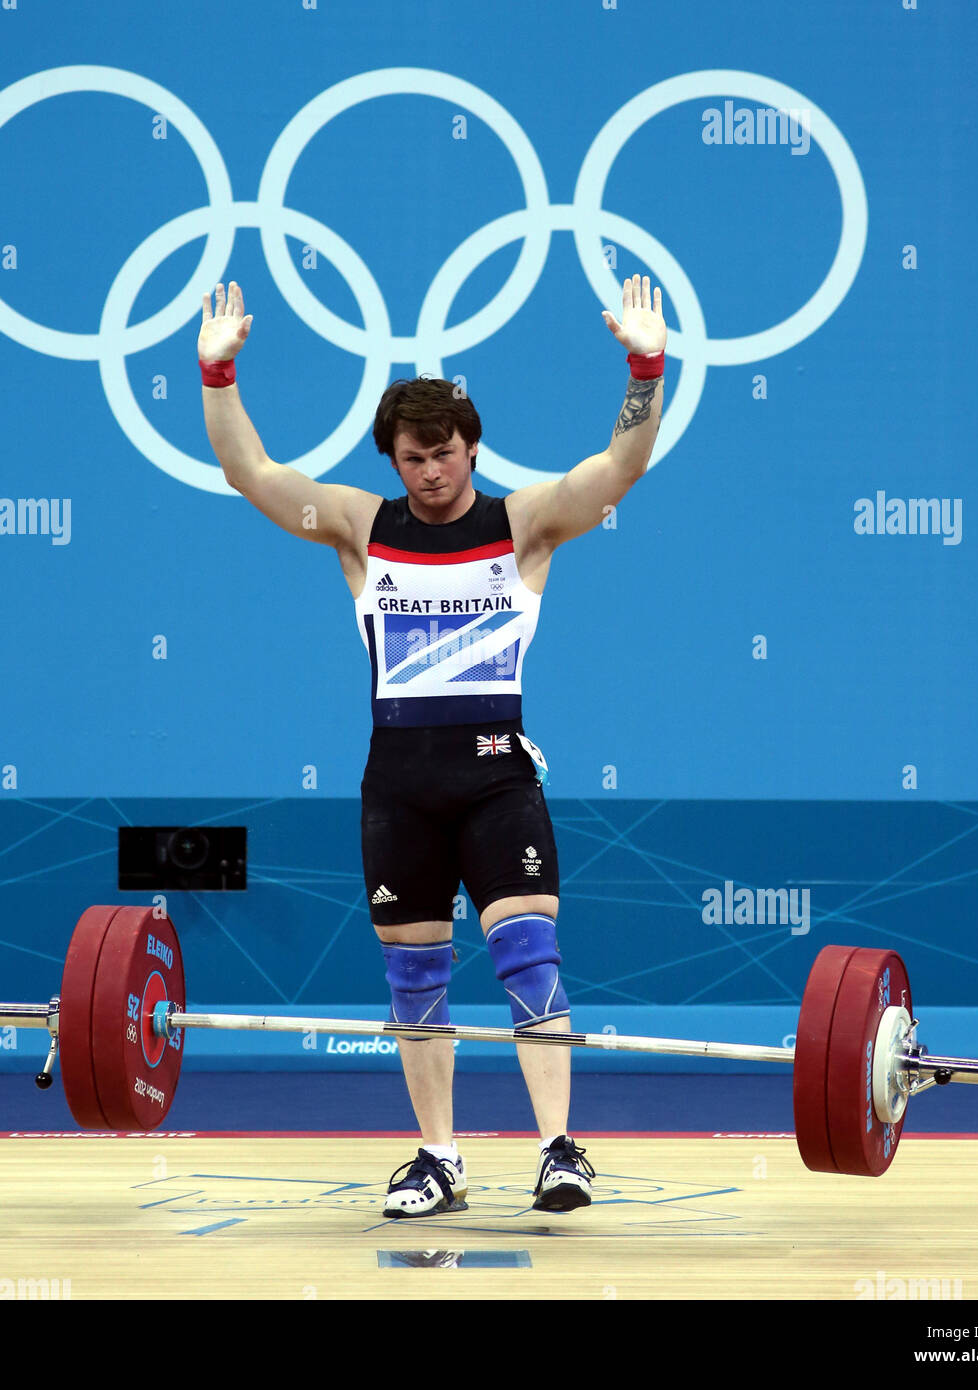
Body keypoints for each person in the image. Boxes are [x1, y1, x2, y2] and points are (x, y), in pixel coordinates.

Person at [199, 274, 666, 1216]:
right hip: (398, 785)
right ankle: (438, 1158)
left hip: (497, 780)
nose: (432, 473)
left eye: (445, 454)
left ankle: (560, 1150)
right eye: (414, 458)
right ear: (394, 458)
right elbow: (250, 473)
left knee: (528, 955)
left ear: (471, 445)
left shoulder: (523, 525)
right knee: (414, 978)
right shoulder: (358, 528)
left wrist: (645, 367)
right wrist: (217, 374)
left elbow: (619, 467)